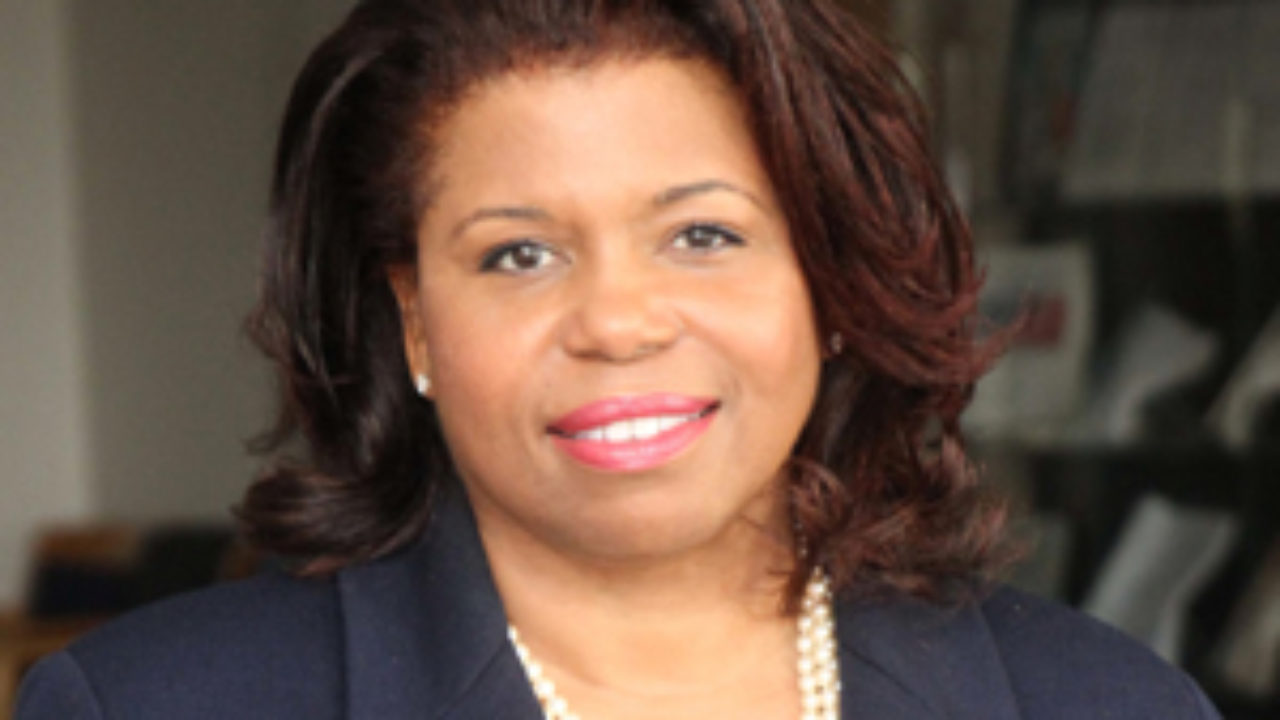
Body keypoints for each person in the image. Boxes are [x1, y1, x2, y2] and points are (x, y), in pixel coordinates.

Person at [18, 1, 1220, 718]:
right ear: (416, 323)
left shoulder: (1103, 703)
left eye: (702, 236)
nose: (618, 321)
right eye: (519, 255)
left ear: (830, 284)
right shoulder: (149, 707)